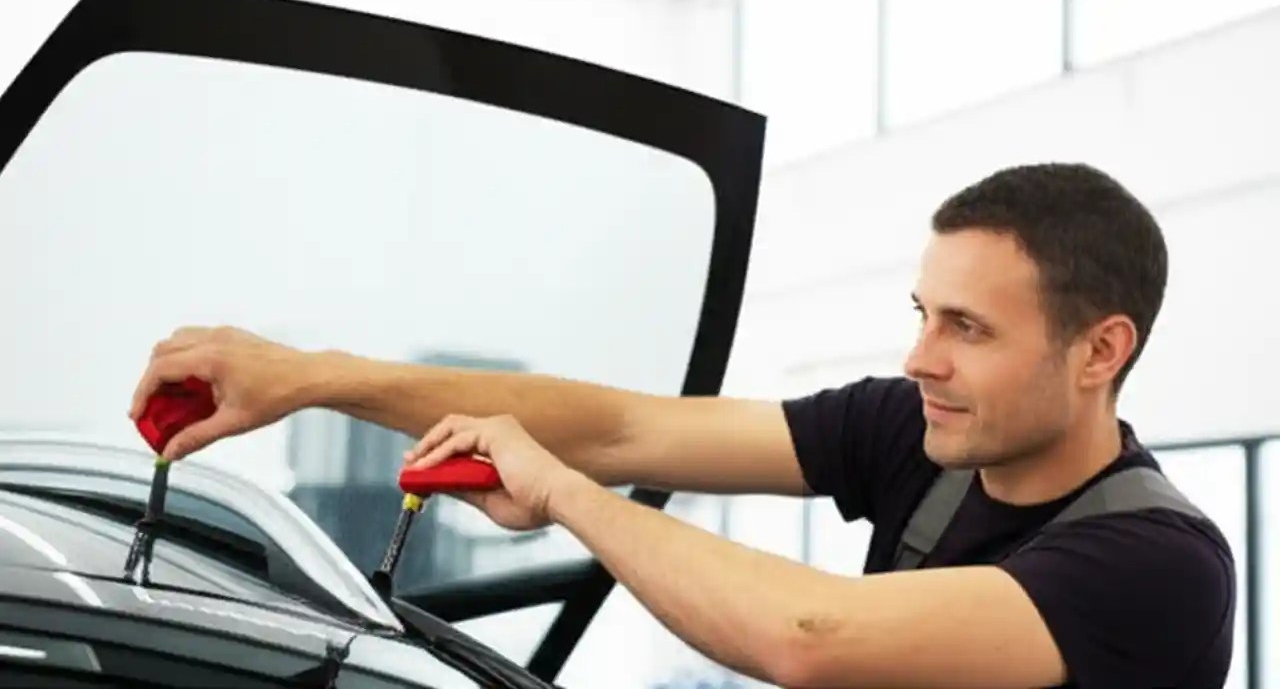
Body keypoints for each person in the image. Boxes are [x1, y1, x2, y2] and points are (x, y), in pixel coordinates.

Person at [129, 162, 1234, 688]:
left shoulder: (1155, 565)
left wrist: (560, 494)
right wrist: (309, 378)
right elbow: (615, 429)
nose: (918, 358)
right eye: (919, 315)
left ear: (1099, 350)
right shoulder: (913, 432)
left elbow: (812, 642)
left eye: (966, 329)